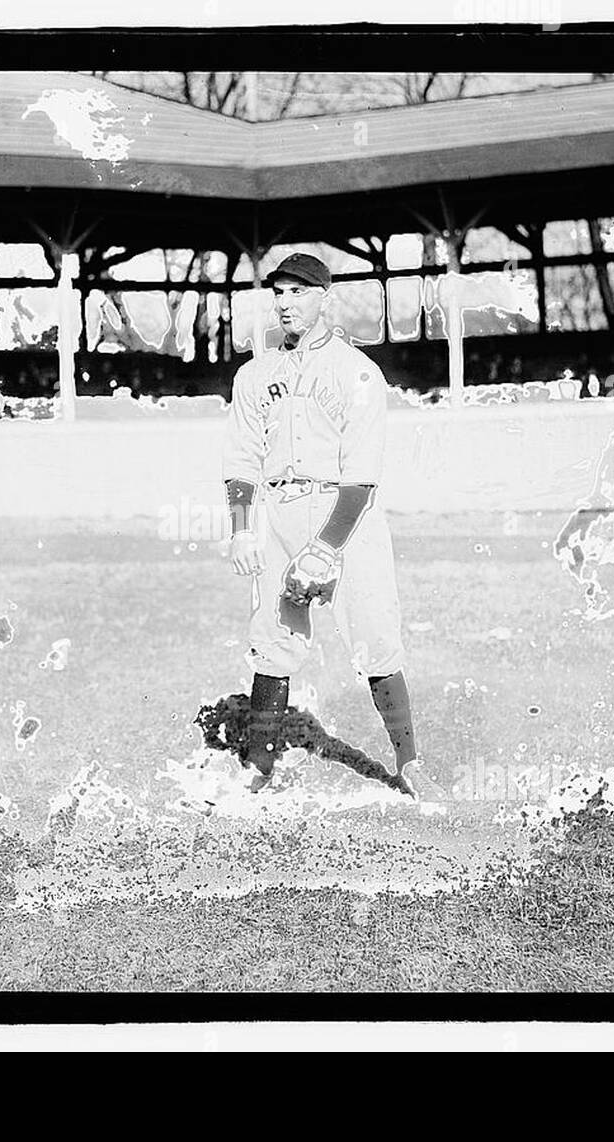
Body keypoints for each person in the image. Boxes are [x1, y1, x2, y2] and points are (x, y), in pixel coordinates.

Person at [221, 252, 441, 798]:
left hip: (347, 520)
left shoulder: (356, 371)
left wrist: (326, 548)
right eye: (280, 292)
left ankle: (409, 760)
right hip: (281, 513)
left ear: (324, 297)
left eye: (299, 292)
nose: (286, 302)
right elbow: (241, 458)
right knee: (272, 641)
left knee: (375, 639)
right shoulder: (254, 375)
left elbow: (363, 475)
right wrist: (243, 527)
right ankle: (257, 765)